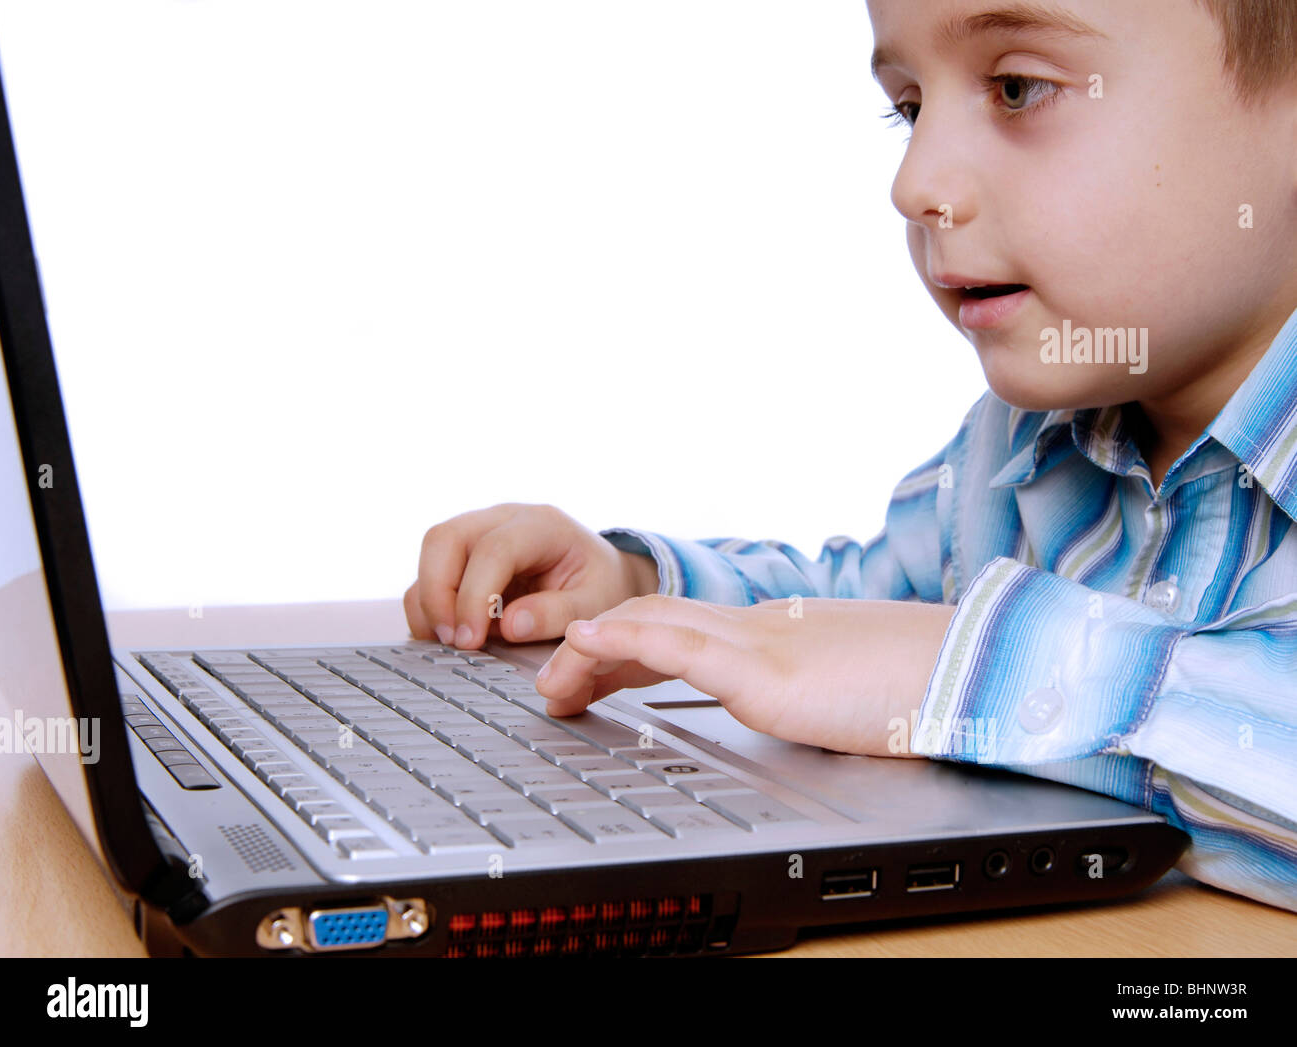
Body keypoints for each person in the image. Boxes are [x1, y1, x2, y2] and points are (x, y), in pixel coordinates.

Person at [404, 0, 1297, 914]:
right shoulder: (1019, 447)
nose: (917, 184)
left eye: (1018, 87)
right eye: (909, 107)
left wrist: (964, 665)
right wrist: (639, 594)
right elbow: (857, 623)